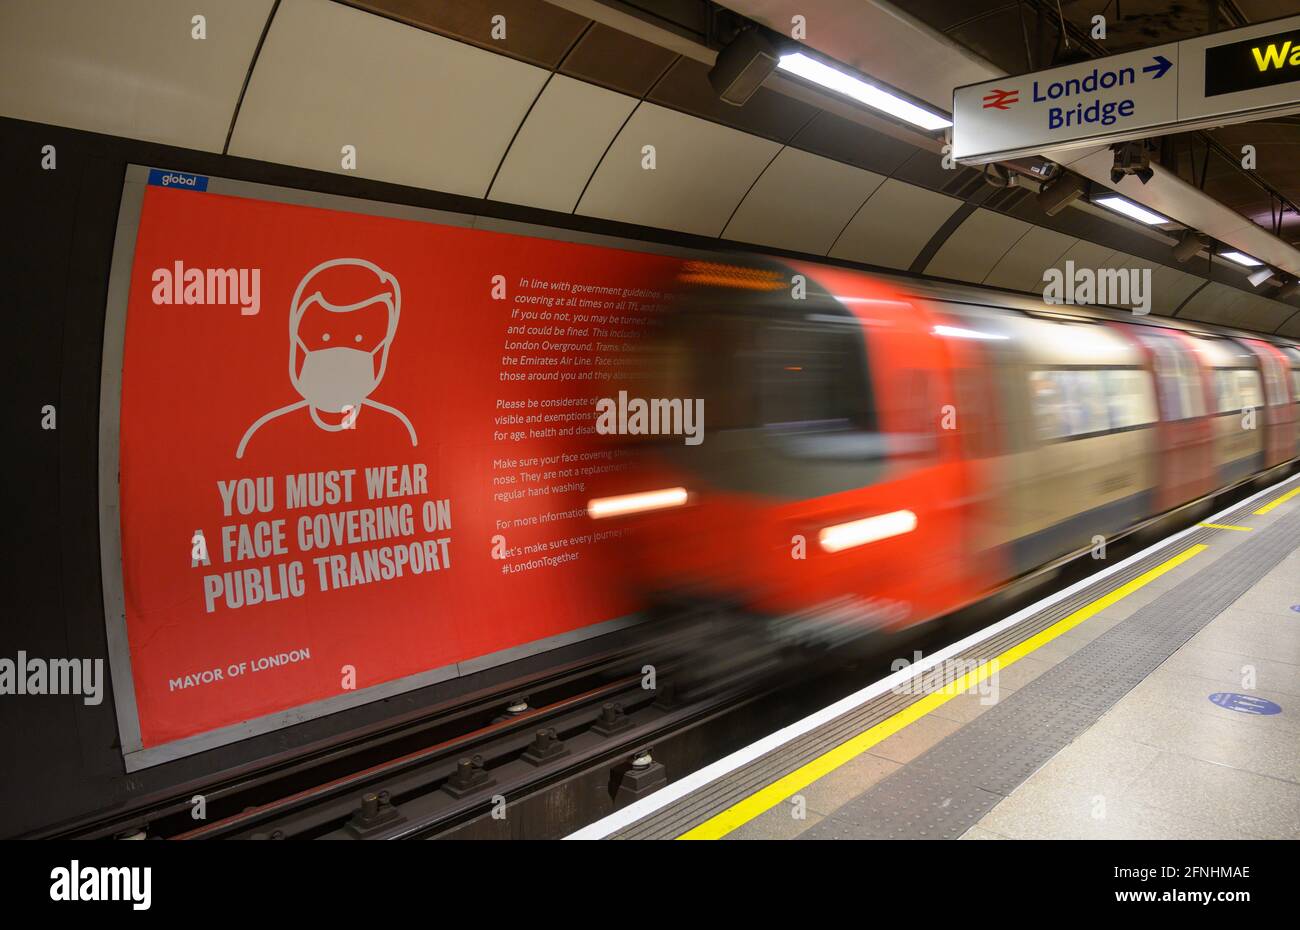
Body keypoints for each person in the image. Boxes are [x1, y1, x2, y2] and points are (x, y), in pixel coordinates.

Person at [236, 258, 417, 459]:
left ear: (384, 348)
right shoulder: (266, 437)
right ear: (295, 339)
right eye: (324, 337)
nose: (339, 357)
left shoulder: (396, 432)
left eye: (359, 340)